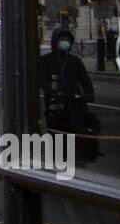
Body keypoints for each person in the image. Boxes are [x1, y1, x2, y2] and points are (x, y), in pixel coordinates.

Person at [37, 27, 100, 158]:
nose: (64, 42)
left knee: (78, 127)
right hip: (56, 103)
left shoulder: (74, 61)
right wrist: (53, 92)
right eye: (61, 40)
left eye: (67, 40)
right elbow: (42, 81)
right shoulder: (46, 60)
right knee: (57, 132)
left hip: (75, 101)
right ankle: (58, 156)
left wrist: (88, 93)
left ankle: (78, 154)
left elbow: (85, 80)